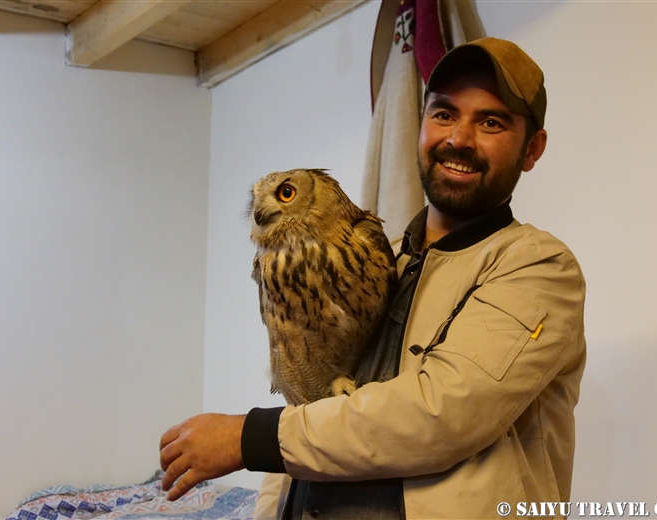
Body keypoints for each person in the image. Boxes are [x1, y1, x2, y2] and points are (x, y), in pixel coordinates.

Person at [159, 37, 586, 519]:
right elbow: (315, 406)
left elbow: (443, 414)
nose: (459, 138)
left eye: (490, 122)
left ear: (532, 149)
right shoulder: (385, 258)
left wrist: (247, 437)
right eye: (443, 114)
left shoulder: (536, 268)